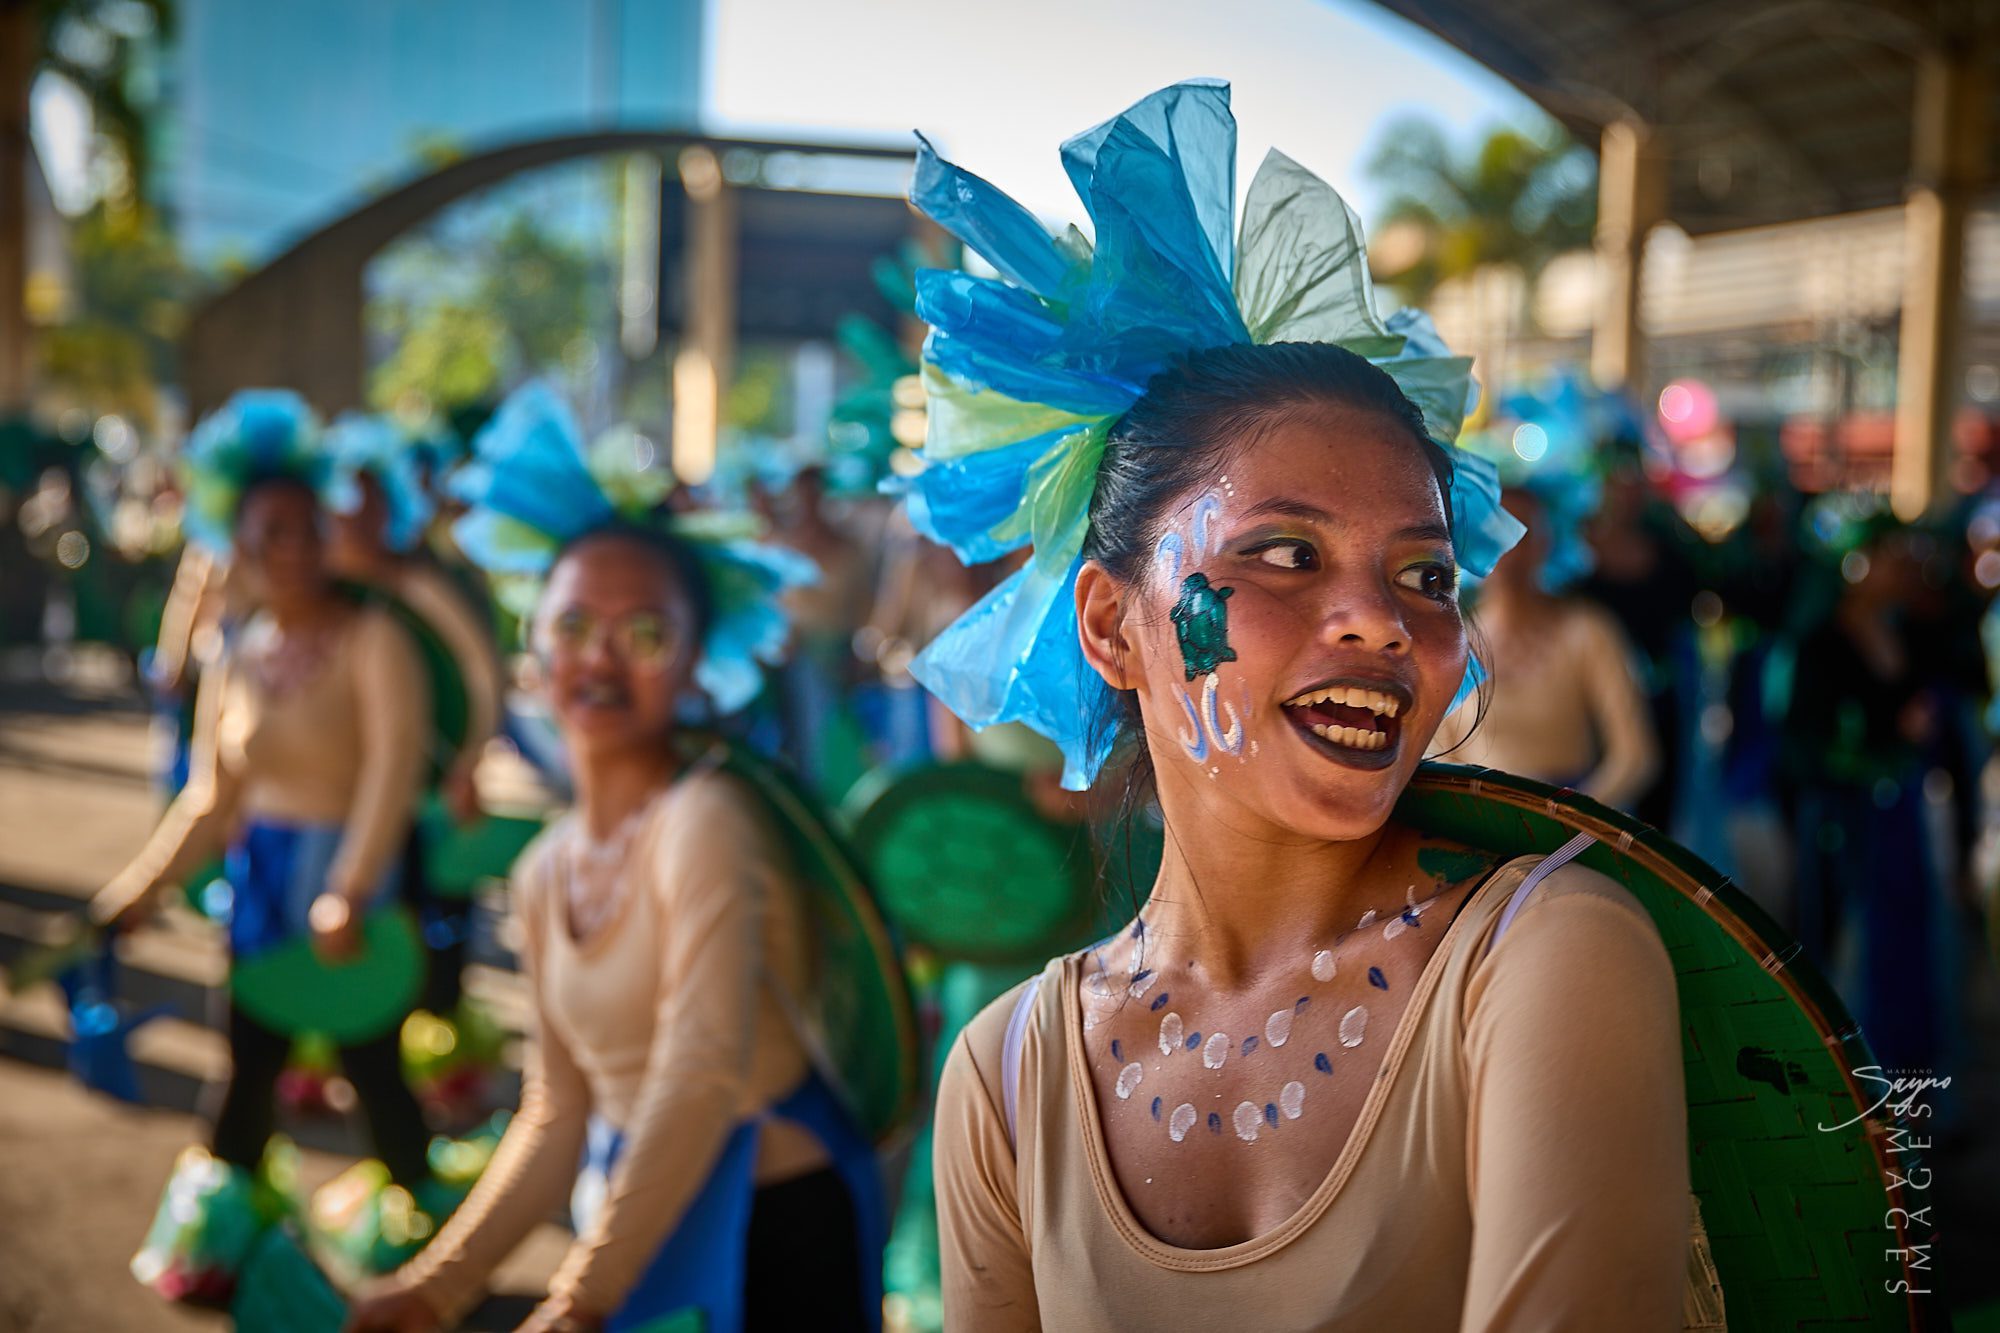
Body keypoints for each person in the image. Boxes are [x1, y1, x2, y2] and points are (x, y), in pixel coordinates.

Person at [904, 81, 1691, 1330]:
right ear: (1112, 625)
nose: (1382, 619)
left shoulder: (1545, 962)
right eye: (1282, 553)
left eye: (1425, 574)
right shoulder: (1003, 1075)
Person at [345, 384, 888, 1333]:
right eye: (573, 626)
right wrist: (434, 1286)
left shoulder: (705, 820)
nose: (600, 658)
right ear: (534, 645)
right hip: (646, 1216)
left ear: (693, 664)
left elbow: (700, 1075)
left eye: (643, 634)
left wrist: (578, 1297)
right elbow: (558, 1112)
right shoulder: (545, 866)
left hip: (772, 1239)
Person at [93, 392, 438, 1239]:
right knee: (249, 1065)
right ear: (233, 543)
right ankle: (229, 1240)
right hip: (261, 884)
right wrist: (142, 889)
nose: (285, 548)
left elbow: (394, 772)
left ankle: (433, 1243)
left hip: (354, 879)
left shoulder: (375, 640)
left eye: (301, 526)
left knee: (373, 1065)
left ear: (329, 533)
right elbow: (212, 791)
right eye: (264, 531)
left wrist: (351, 889)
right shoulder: (237, 649)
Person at [1430, 486, 1660, 810]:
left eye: (1520, 534)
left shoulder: (1587, 631)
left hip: (1573, 833)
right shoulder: (1451, 644)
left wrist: (1573, 821)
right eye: (1492, 534)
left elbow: (1635, 756)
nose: (1507, 549)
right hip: (1483, 830)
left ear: (1544, 543)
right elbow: (1440, 761)